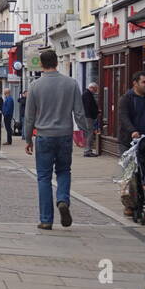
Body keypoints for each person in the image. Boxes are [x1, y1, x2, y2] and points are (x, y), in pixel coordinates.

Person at [23, 49, 88, 231]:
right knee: (64, 171)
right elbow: (79, 112)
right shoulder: (71, 83)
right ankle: (62, 200)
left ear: (41, 65)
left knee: (43, 177)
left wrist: (28, 139)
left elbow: (29, 117)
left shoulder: (35, 86)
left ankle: (46, 220)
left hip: (43, 136)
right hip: (64, 136)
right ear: (57, 62)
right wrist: (85, 132)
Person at [118, 71, 145, 217]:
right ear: (135, 83)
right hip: (129, 143)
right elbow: (124, 117)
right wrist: (133, 131)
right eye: (144, 82)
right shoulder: (126, 99)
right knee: (129, 174)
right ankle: (129, 204)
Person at [81, 82, 100, 157]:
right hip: (88, 117)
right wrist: (96, 112)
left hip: (87, 116)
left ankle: (87, 150)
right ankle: (88, 151)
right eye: (95, 89)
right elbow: (89, 107)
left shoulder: (87, 94)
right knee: (90, 133)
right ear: (92, 88)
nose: (96, 91)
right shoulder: (87, 94)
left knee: (88, 133)